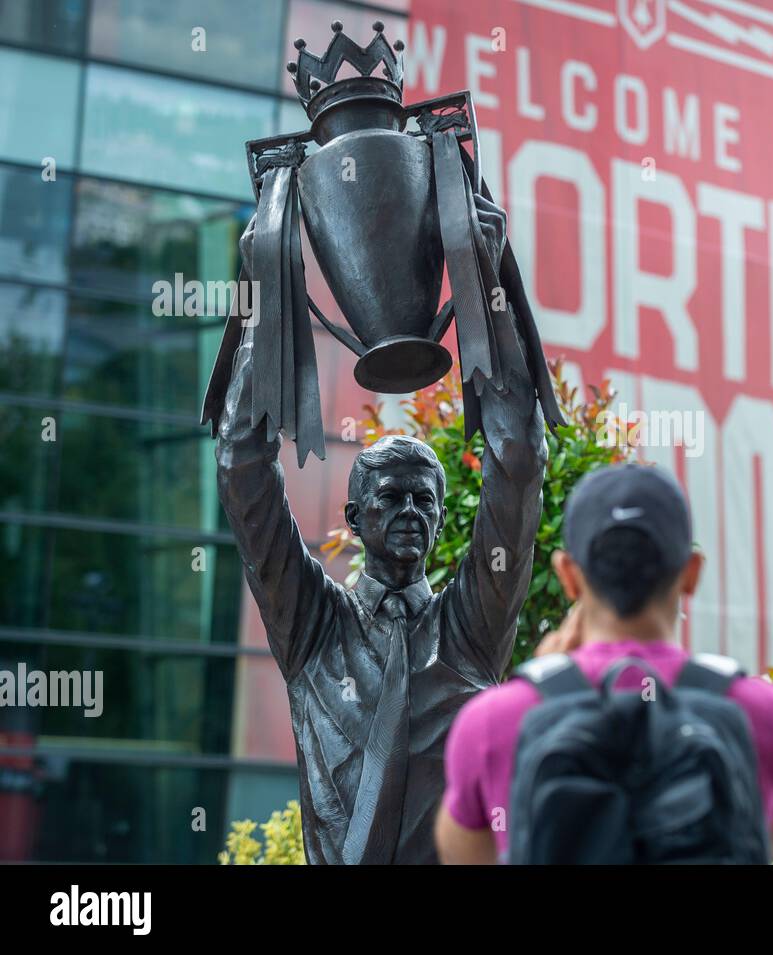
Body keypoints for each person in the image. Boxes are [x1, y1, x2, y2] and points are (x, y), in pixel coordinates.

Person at [213, 197, 547, 864]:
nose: (412, 513)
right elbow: (240, 462)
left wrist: (486, 288)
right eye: (391, 498)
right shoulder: (310, 624)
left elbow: (517, 462)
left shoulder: (470, 632)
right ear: (354, 518)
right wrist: (266, 296)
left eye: (426, 502)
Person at [435, 463, 773, 863]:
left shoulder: (492, 723)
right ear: (691, 572)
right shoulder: (770, 716)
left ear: (568, 575)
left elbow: (468, 854)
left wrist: (543, 687)